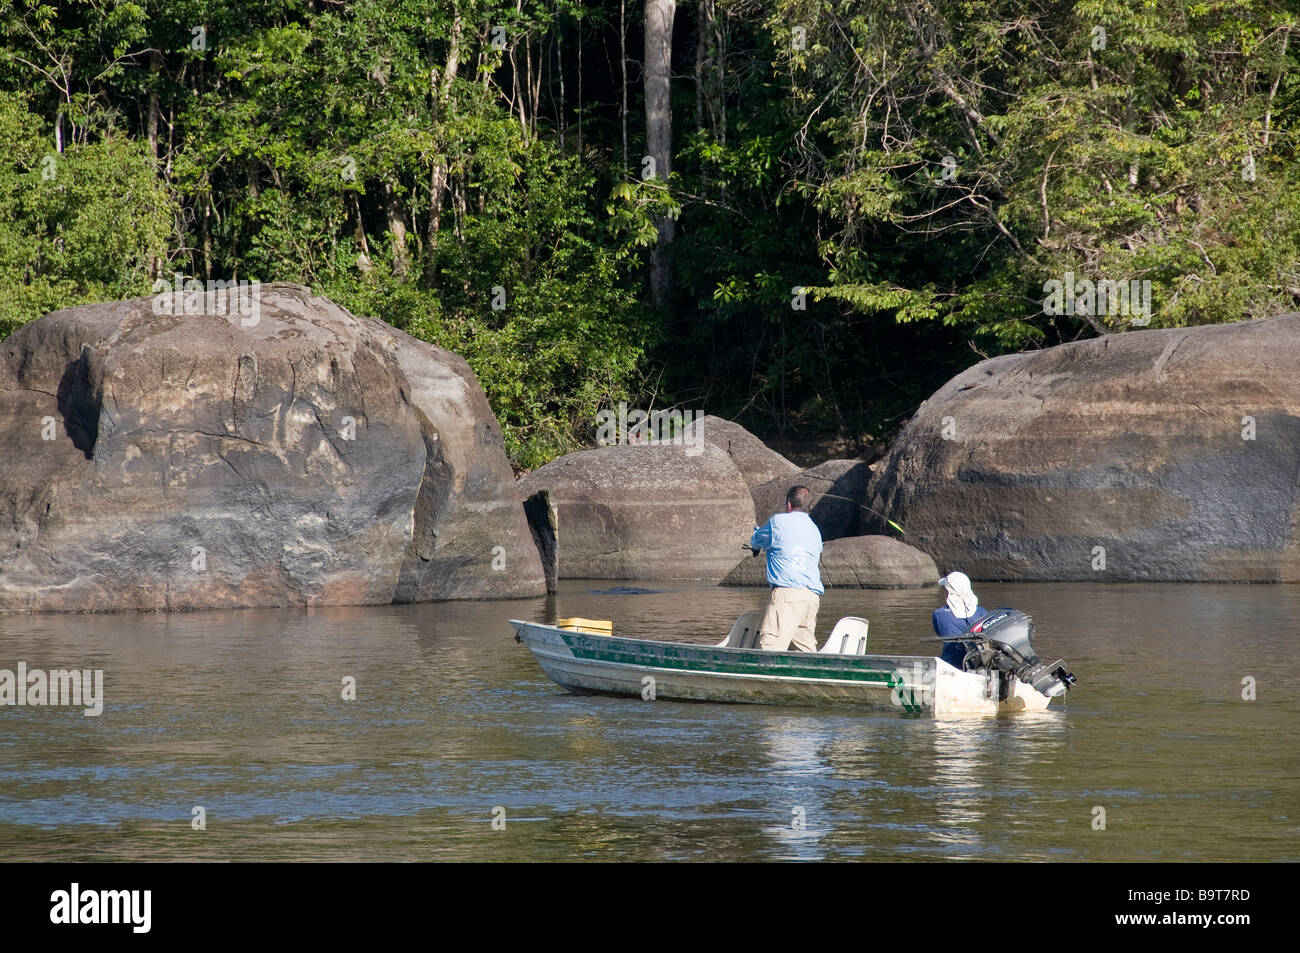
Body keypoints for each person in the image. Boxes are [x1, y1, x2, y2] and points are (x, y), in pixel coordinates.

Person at [750, 486, 824, 652]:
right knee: (805, 651)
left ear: (789, 505)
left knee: (770, 646)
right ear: (807, 506)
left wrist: (755, 536)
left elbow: (757, 540)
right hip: (812, 598)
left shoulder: (778, 522)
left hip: (788, 596)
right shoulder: (815, 530)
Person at [932, 571, 990, 669]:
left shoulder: (939, 614)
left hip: (950, 663)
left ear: (948, 591)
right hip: (977, 663)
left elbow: (941, 634)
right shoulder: (981, 612)